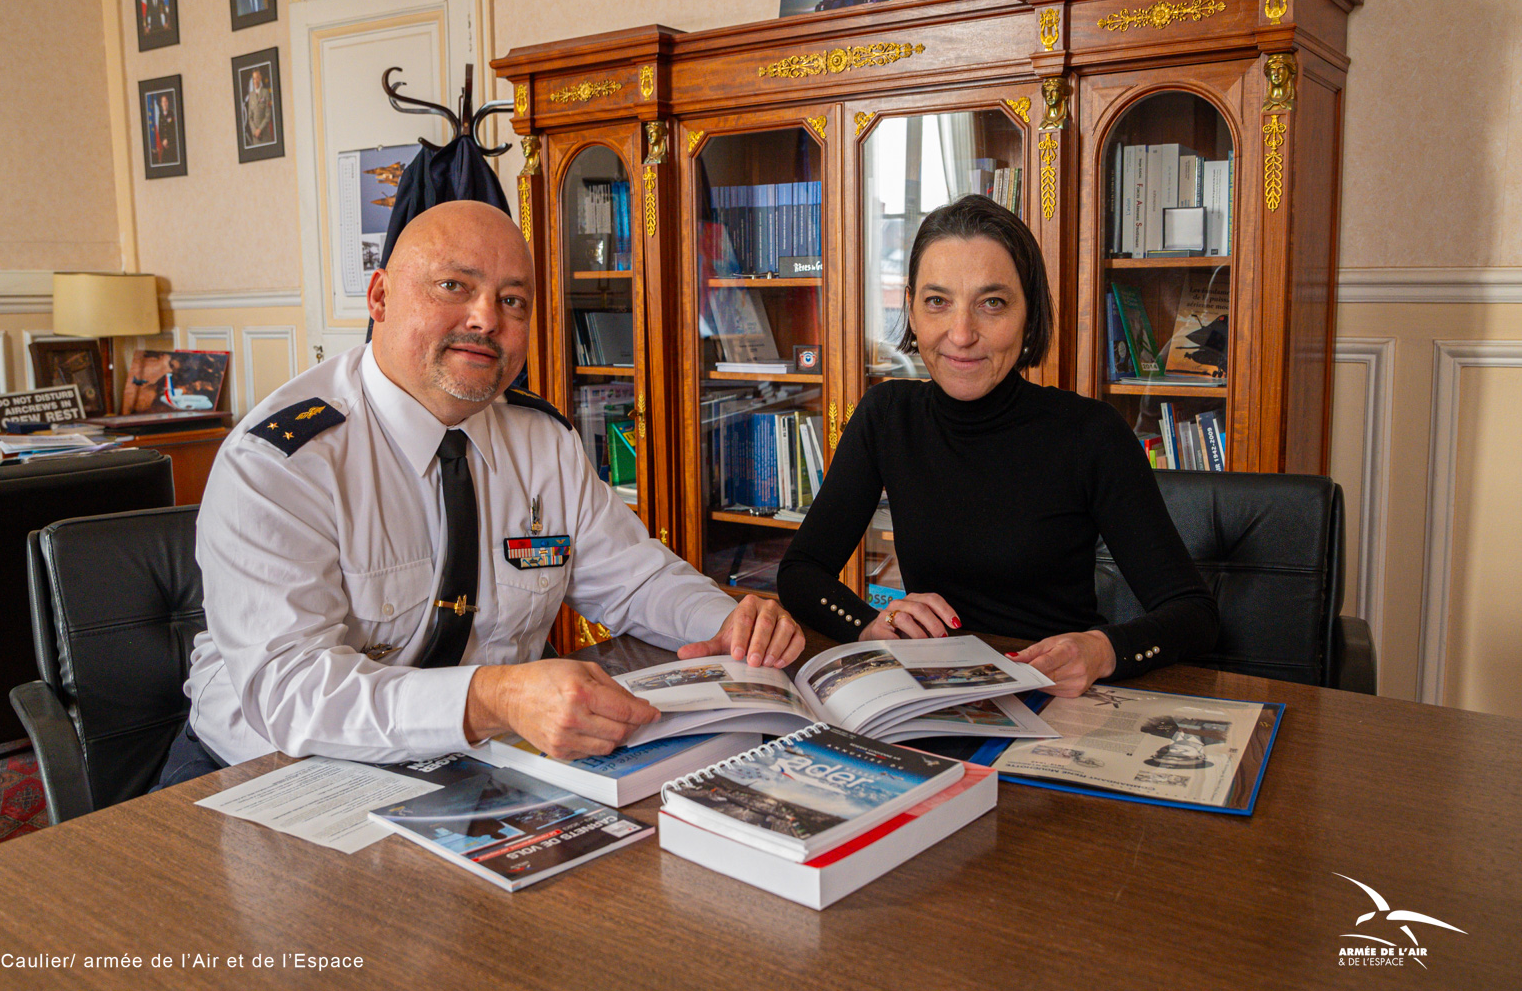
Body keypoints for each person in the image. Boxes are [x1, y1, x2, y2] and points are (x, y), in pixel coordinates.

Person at [160, 200, 802, 786]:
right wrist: (493, 698)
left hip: (473, 760)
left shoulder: (541, 440)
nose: (486, 320)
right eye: (453, 287)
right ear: (380, 297)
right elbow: (291, 694)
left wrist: (729, 624)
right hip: (270, 772)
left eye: (514, 301)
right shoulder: (283, 461)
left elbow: (634, 582)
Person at [776, 194, 1216, 696]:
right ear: (913, 312)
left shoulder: (1091, 433)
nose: (961, 334)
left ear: (1028, 316)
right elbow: (801, 571)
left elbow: (1195, 616)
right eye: (938, 301)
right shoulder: (886, 416)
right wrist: (870, 624)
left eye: (992, 303)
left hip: (1056, 697)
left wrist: (1101, 650)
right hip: (930, 693)